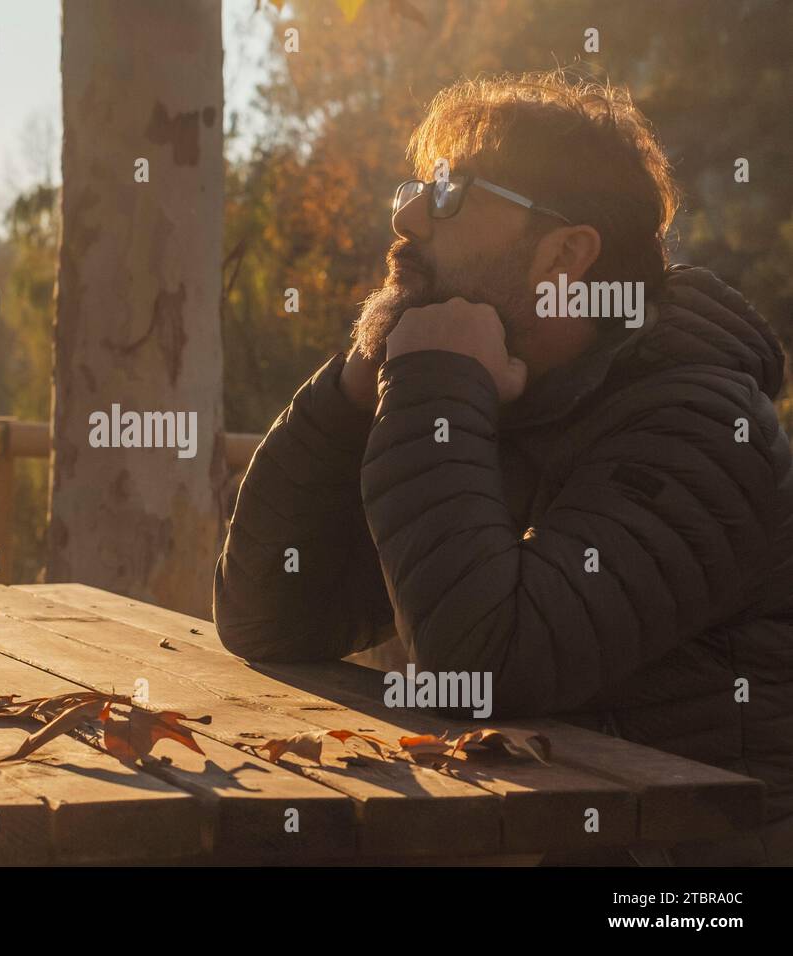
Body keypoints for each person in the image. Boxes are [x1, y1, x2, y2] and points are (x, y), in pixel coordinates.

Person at [212, 70, 793, 865]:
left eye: (450, 193)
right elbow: (271, 621)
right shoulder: (526, 387)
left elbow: (487, 666)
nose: (406, 213)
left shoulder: (700, 432)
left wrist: (439, 391)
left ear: (563, 254)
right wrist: (351, 389)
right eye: (417, 184)